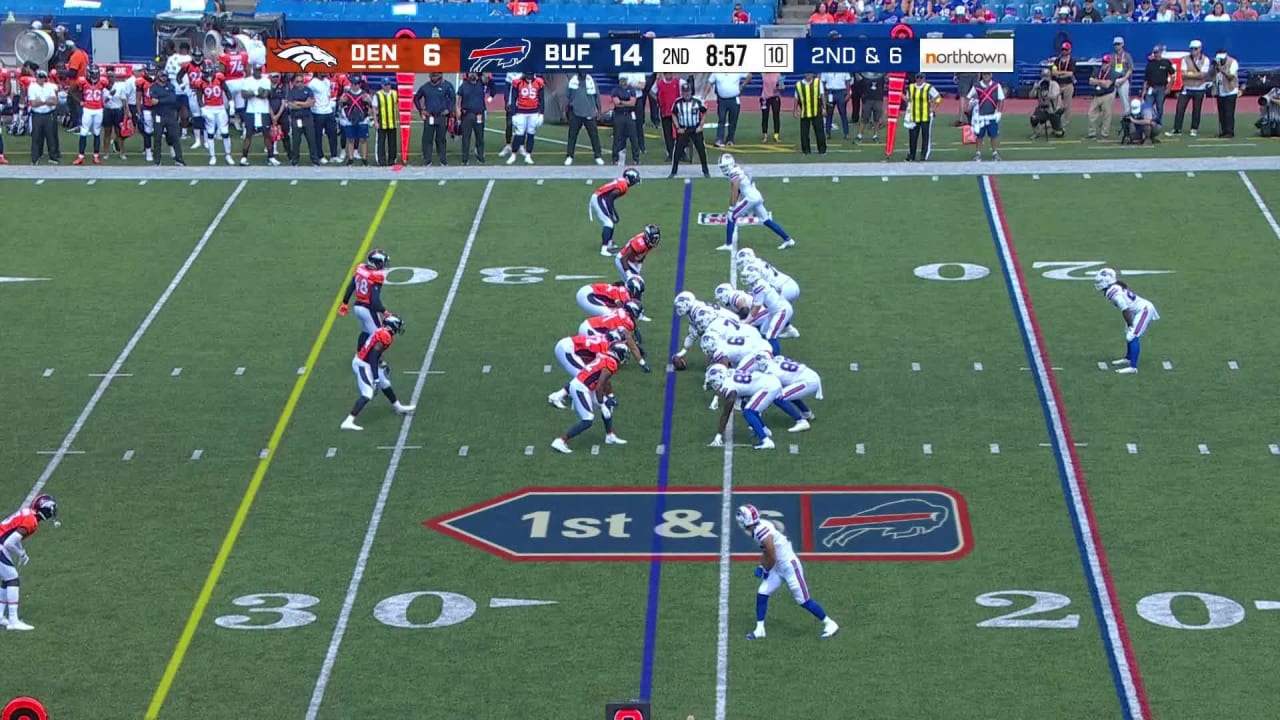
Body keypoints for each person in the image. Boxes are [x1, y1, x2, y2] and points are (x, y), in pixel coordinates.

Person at [733, 504, 839, 640]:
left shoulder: (761, 532)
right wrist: (762, 566)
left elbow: (772, 555)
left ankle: (830, 624)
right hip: (778, 567)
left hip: (789, 567)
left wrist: (765, 569)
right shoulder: (759, 528)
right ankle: (760, 629)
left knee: (803, 600)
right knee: (762, 592)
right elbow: (767, 551)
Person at [550, 344, 630, 454]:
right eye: (624, 355)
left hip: (585, 384)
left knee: (607, 405)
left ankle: (610, 436)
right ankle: (560, 440)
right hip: (581, 387)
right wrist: (601, 405)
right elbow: (600, 386)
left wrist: (607, 399)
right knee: (588, 419)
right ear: (618, 354)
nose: (625, 357)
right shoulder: (611, 363)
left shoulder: (605, 356)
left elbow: (605, 381)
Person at [341, 314, 416, 431]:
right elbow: (372, 357)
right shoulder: (384, 336)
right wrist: (375, 378)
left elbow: (374, 351)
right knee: (367, 394)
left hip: (368, 362)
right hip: (362, 364)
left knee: (385, 383)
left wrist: (382, 363)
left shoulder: (382, 332)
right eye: (397, 326)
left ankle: (398, 407)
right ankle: (348, 421)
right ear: (392, 327)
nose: (398, 329)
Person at [0, 494, 61, 631]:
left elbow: (14, 535)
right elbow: (10, 543)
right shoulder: (31, 521)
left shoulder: (28, 514)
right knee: (13, 579)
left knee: (7, 578)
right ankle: (13, 621)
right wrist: (20, 553)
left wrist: (22, 552)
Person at [718, 153, 795, 251]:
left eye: (724, 167)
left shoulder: (734, 172)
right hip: (756, 195)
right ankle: (788, 239)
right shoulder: (738, 169)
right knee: (766, 220)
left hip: (751, 198)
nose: (723, 169)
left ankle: (728, 244)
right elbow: (741, 187)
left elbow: (735, 188)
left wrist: (732, 206)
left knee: (731, 215)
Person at [1093, 268, 1159, 375]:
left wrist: (1130, 324)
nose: (1098, 284)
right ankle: (1128, 358)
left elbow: (1125, 309)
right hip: (1136, 311)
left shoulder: (1113, 292)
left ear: (1107, 281)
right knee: (1128, 333)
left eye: (1100, 281)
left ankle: (1133, 367)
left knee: (1132, 335)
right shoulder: (1115, 287)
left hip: (1144, 310)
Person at [340, 248, 390, 349]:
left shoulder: (360, 268)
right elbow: (374, 300)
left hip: (357, 307)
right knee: (380, 336)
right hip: (368, 308)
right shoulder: (376, 275)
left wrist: (345, 302)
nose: (382, 266)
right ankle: (377, 361)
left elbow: (351, 286)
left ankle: (360, 353)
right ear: (375, 263)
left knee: (366, 331)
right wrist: (384, 311)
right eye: (381, 263)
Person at [590, 168, 642, 256]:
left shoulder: (623, 182)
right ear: (628, 178)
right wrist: (611, 213)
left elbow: (611, 198)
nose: (635, 182)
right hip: (599, 198)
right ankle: (604, 250)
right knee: (608, 223)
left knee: (610, 222)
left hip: (601, 198)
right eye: (634, 180)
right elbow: (610, 197)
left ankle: (609, 244)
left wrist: (613, 212)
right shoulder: (623, 185)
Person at [669, 79, 710, 178]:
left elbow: (704, 112)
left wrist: (701, 126)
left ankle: (706, 171)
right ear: (681, 92)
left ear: (690, 91)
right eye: (684, 92)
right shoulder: (678, 102)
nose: (686, 93)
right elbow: (673, 114)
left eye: (687, 91)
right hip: (683, 129)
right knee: (677, 151)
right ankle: (673, 171)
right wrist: (677, 127)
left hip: (695, 128)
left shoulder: (697, 101)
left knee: (701, 149)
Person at [193, 65, 231, 166]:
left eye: (210, 73)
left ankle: (228, 154)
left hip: (220, 107)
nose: (209, 76)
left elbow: (227, 90)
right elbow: (199, 97)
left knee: (225, 132)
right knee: (210, 132)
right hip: (209, 108)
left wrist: (231, 103)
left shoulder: (219, 78)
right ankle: (212, 156)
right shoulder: (200, 82)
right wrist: (203, 109)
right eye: (207, 74)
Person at [414, 72, 454, 166]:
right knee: (427, 139)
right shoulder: (425, 87)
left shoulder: (446, 86)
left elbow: (452, 98)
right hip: (429, 116)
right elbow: (416, 99)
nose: (434, 77)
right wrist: (421, 110)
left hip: (441, 116)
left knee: (441, 139)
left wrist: (449, 109)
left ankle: (443, 160)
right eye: (432, 75)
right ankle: (427, 160)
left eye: (436, 75)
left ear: (440, 76)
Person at [1173, 40, 1211, 137]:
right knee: (1180, 108)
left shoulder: (1205, 60)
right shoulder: (1185, 59)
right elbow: (1183, 74)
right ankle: (1177, 129)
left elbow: (1203, 75)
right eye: (1192, 48)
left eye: (1195, 48)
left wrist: (1190, 74)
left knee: (1197, 109)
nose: (1193, 50)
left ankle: (1194, 129)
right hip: (1187, 87)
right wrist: (1196, 75)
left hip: (1199, 88)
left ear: (1200, 49)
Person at [564, 72, 604, 166]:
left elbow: (596, 96)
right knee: (572, 136)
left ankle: (598, 156)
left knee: (594, 136)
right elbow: (567, 97)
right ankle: (570, 156)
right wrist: (565, 111)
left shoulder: (591, 82)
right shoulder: (572, 81)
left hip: (589, 113)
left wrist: (599, 111)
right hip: (575, 113)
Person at [73, 66, 110, 165]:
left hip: (98, 109)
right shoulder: (82, 81)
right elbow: (72, 90)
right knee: (83, 132)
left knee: (97, 132)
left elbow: (111, 88)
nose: (95, 75)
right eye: (93, 73)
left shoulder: (103, 81)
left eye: (96, 73)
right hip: (87, 110)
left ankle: (96, 156)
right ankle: (80, 156)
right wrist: (80, 100)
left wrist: (108, 97)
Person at [149, 69, 185, 166]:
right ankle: (157, 160)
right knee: (157, 138)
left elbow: (173, 99)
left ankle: (179, 159)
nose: (164, 78)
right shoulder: (153, 87)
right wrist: (165, 99)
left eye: (165, 76)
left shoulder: (171, 86)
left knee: (174, 137)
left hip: (170, 115)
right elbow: (153, 101)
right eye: (162, 76)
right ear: (158, 77)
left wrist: (160, 100)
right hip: (158, 115)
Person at [240, 64, 275, 166]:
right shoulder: (247, 81)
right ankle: (244, 157)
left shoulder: (266, 81)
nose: (257, 72)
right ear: (253, 70)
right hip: (251, 111)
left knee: (267, 135)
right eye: (256, 70)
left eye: (259, 70)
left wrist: (253, 93)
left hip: (264, 111)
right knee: (248, 135)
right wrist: (256, 92)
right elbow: (244, 95)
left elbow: (265, 95)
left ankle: (270, 157)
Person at [507, 72, 545, 165]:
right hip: (521, 112)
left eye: (530, 74)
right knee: (519, 134)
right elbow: (513, 98)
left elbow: (541, 99)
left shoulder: (539, 82)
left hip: (534, 112)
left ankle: (528, 155)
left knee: (531, 134)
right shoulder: (518, 82)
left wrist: (541, 113)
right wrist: (514, 113)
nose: (529, 76)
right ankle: (513, 154)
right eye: (527, 74)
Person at [967, 71, 1004, 161]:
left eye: (988, 74)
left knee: (994, 135)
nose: (986, 76)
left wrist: (999, 112)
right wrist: (972, 102)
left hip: (992, 115)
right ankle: (978, 154)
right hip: (980, 116)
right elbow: (969, 97)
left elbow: (1001, 99)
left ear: (991, 75)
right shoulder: (976, 86)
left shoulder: (996, 86)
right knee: (979, 136)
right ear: (981, 75)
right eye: (984, 74)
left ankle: (995, 153)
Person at [904, 73, 941, 162]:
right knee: (912, 137)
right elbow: (908, 100)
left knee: (925, 137)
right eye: (918, 78)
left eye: (921, 78)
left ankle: (923, 156)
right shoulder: (911, 87)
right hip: (914, 116)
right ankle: (911, 155)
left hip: (925, 116)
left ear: (924, 79)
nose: (919, 80)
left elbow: (938, 97)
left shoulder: (928, 87)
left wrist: (933, 108)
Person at [706, 71, 749, 147]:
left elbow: (749, 75)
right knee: (721, 119)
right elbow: (709, 82)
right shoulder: (716, 72)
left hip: (734, 99)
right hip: (722, 100)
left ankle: (730, 139)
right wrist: (704, 96)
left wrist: (742, 86)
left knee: (733, 120)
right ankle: (719, 139)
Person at [26, 70, 60, 164]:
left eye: (43, 77)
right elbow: (33, 103)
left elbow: (54, 101)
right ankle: (35, 157)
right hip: (37, 114)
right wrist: (46, 101)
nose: (41, 79)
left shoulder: (50, 86)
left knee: (51, 136)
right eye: (40, 77)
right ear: (36, 78)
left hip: (49, 114)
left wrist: (41, 101)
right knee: (36, 136)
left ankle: (53, 157)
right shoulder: (32, 87)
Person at [457, 72, 488, 166]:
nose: (472, 75)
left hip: (479, 115)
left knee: (480, 137)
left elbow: (486, 77)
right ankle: (465, 159)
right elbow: (458, 99)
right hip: (467, 114)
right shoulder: (463, 86)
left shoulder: (481, 83)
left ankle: (480, 157)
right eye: (471, 73)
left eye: (474, 73)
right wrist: (457, 111)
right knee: (466, 138)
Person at [286, 73, 318, 166]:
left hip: (307, 118)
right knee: (296, 141)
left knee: (311, 140)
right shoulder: (291, 92)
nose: (299, 83)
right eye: (297, 82)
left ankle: (315, 160)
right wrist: (304, 104)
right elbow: (292, 106)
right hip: (296, 119)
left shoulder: (308, 90)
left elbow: (311, 103)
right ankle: (295, 160)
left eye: (301, 81)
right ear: (294, 83)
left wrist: (298, 103)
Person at [611, 75, 641, 166]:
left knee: (633, 138)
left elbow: (632, 103)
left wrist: (622, 102)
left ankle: (636, 158)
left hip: (629, 115)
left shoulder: (631, 89)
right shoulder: (615, 90)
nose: (623, 82)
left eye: (625, 80)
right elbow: (616, 103)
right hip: (619, 115)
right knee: (617, 137)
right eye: (622, 80)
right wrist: (626, 102)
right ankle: (615, 158)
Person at [307, 72, 338, 163]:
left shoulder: (327, 81)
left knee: (333, 134)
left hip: (328, 111)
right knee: (318, 135)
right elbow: (309, 96)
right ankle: (320, 156)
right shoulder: (312, 83)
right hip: (317, 112)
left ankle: (334, 155)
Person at [794, 72, 826, 155]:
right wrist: (795, 110)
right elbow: (796, 98)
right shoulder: (799, 85)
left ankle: (822, 150)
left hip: (816, 111)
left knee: (819, 131)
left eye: (810, 74)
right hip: (805, 112)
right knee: (804, 133)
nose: (808, 75)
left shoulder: (818, 82)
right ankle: (806, 150)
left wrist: (824, 108)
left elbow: (822, 95)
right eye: (807, 74)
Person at [1086, 56, 1117, 139]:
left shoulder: (1113, 72)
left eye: (1106, 62)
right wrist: (1102, 82)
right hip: (1097, 95)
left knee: (1106, 115)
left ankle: (1104, 133)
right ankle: (1092, 132)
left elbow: (1107, 85)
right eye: (1103, 62)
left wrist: (1097, 81)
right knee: (1091, 113)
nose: (1104, 64)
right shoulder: (1097, 70)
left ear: (1109, 63)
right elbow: (1090, 81)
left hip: (1107, 95)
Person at [1143, 45, 1174, 128]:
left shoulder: (1166, 63)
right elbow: (1146, 79)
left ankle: (1158, 123)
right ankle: (1148, 121)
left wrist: (1169, 88)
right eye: (1154, 53)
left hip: (1161, 88)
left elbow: (1173, 75)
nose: (1156, 54)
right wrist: (1144, 91)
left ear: (1161, 52)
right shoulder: (1150, 64)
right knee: (1148, 106)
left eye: (1157, 52)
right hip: (1151, 87)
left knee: (1159, 107)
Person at [1030, 69, 1065, 138]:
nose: (1045, 78)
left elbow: (1054, 96)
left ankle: (1055, 128)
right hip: (1042, 108)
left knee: (1059, 134)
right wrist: (1034, 88)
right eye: (1043, 76)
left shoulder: (1054, 84)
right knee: (1033, 118)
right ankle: (1037, 132)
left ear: (1050, 76)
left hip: (1053, 110)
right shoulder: (1039, 84)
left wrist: (1046, 94)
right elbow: (1031, 95)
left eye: (1047, 76)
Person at [1211, 49, 1239, 137]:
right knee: (1222, 113)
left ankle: (1230, 132)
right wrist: (1214, 68)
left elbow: (1231, 76)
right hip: (1220, 91)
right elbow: (1212, 76)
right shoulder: (1216, 63)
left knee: (1229, 112)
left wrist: (1221, 70)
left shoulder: (1232, 62)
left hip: (1230, 91)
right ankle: (1223, 131)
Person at [1050, 42, 1076, 129]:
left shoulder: (1072, 61)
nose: (1064, 51)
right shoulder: (1057, 61)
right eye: (1063, 49)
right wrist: (1063, 73)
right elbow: (1054, 73)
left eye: (1066, 49)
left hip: (1068, 85)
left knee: (1067, 105)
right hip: (1058, 85)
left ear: (1069, 50)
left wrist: (1060, 73)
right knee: (1057, 104)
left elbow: (1070, 73)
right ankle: (1056, 121)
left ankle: (1065, 123)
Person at [373, 79, 399, 167]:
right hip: (382, 123)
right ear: (382, 85)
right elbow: (374, 109)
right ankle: (381, 161)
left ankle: (392, 160)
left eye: (389, 84)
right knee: (381, 143)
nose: (387, 86)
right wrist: (376, 122)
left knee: (392, 143)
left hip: (392, 122)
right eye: (386, 85)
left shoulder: (394, 94)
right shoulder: (378, 95)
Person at [759, 72, 782, 143]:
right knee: (765, 116)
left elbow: (782, 86)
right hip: (765, 98)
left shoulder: (778, 74)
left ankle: (776, 135)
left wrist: (780, 87)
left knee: (776, 116)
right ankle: (765, 135)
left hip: (775, 97)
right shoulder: (763, 74)